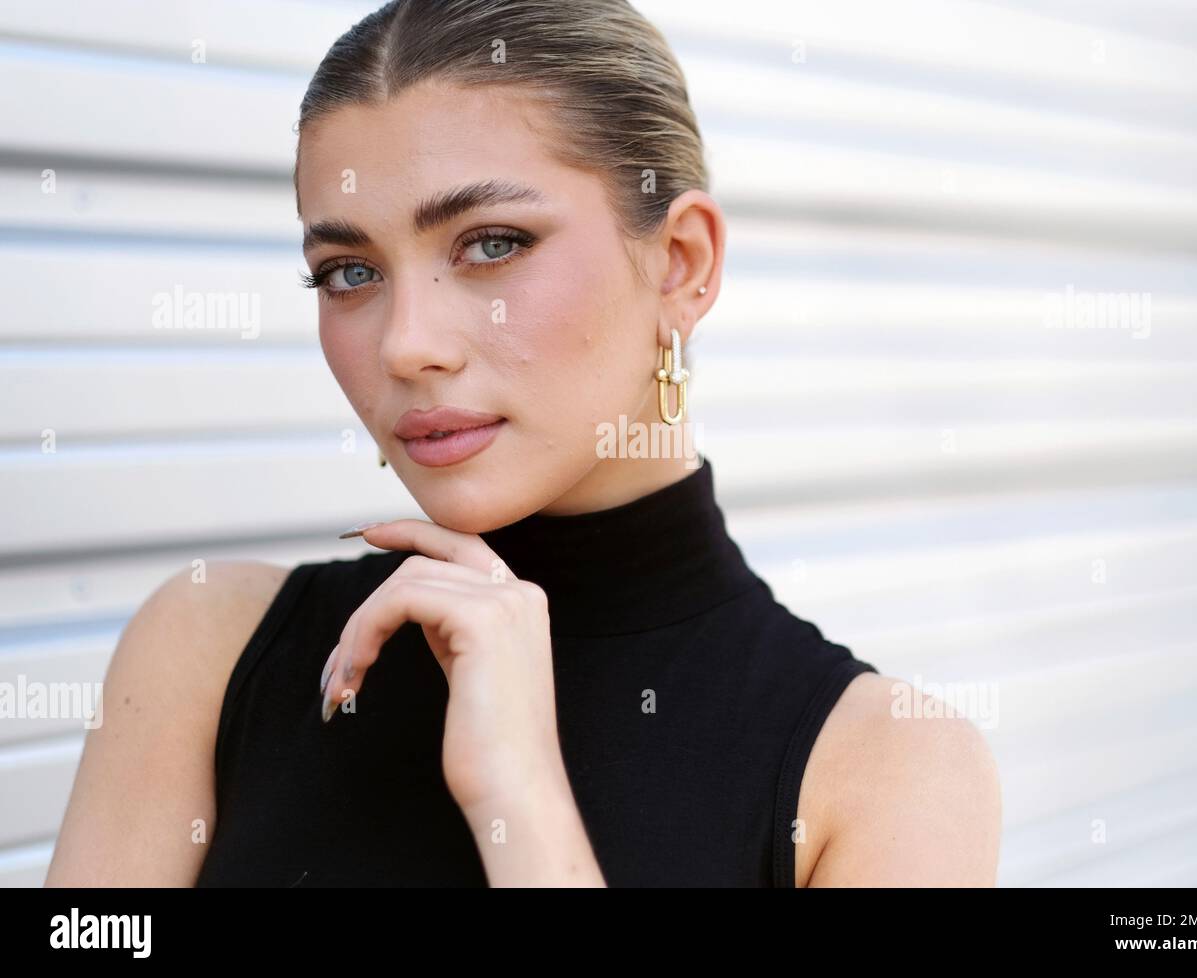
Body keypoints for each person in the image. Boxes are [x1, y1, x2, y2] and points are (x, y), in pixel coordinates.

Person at [45, 0, 1000, 887]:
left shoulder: (887, 768)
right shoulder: (210, 646)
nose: (405, 344)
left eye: (492, 243)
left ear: (681, 265)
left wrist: (518, 794)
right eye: (348, 272)